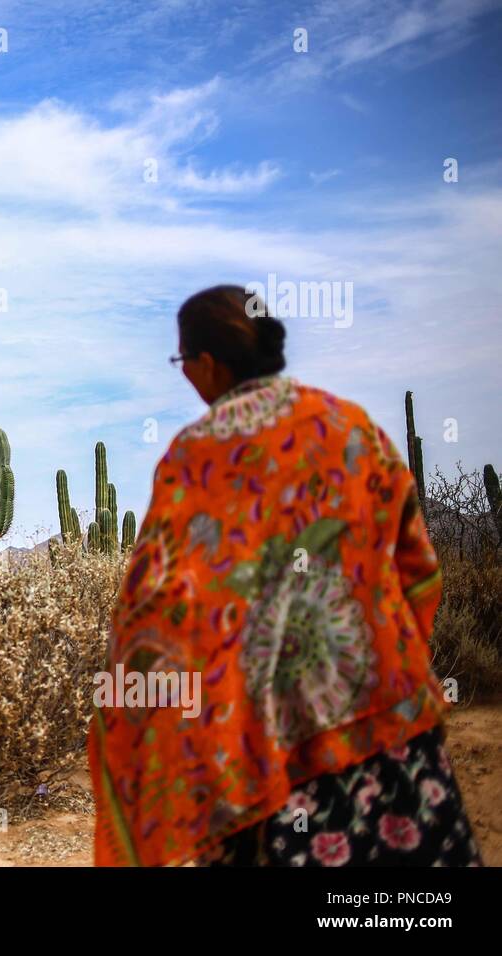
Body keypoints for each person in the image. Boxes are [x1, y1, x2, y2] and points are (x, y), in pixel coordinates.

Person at [89, 285, 481, 867]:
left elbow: (157, 605)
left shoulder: (195, 456)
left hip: (261, 758)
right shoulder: (352, 427)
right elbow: (417, 567)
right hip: (391, 734)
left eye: (182, 363)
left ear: (208, 365)